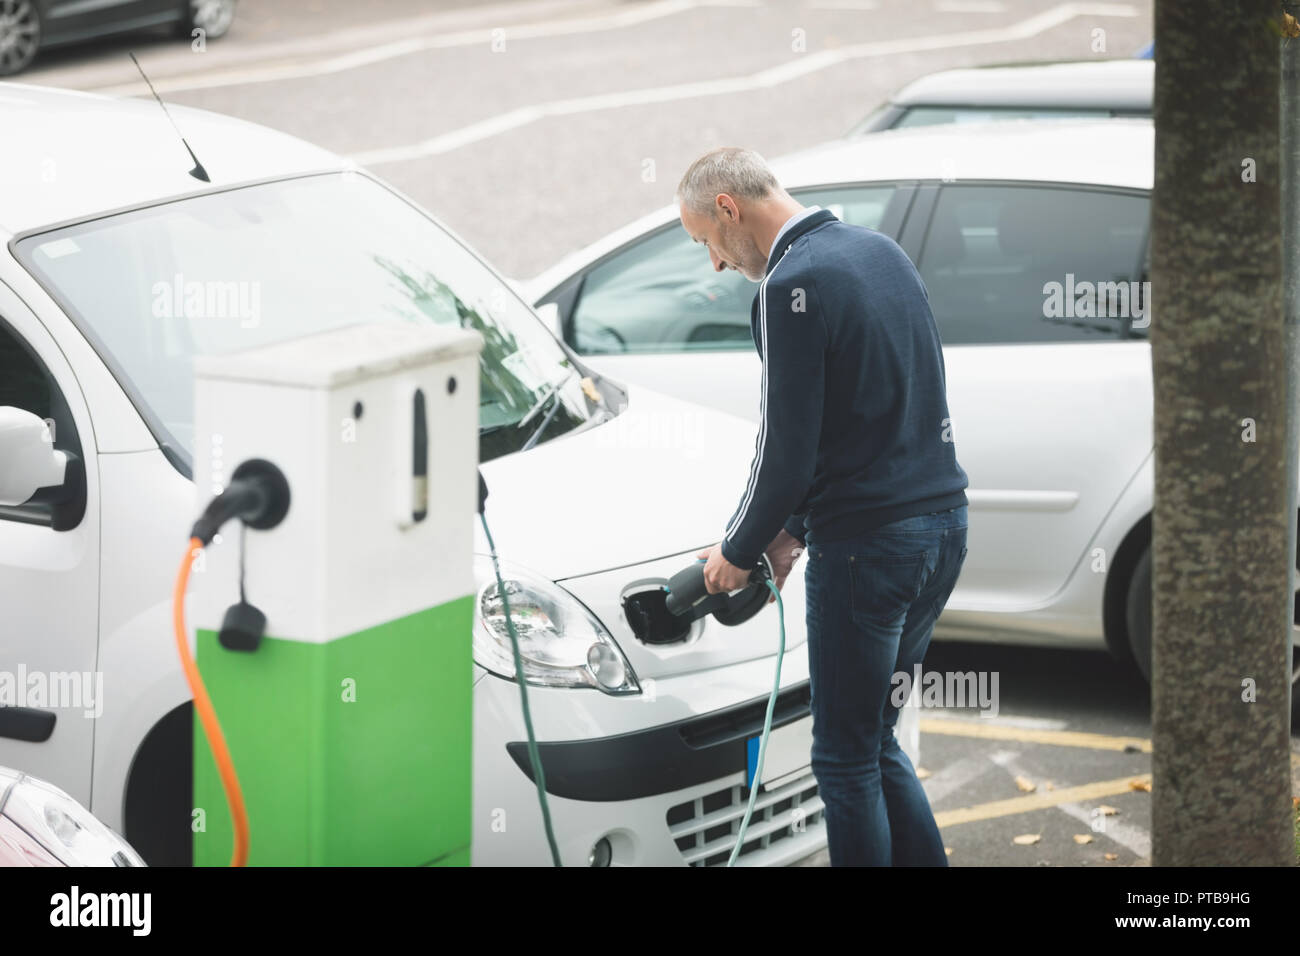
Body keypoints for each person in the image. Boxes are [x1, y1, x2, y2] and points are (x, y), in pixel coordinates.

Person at [678, 146, 969, 866]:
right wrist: (794, 533)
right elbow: (873, 413)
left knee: (842, 758)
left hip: (869, 550)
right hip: (943, 528)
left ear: (728, 209)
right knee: (874, 741)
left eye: (706, 243)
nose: (714, 263)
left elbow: (786, 450)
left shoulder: (789, 285)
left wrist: (738, 551)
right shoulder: (880, 252)